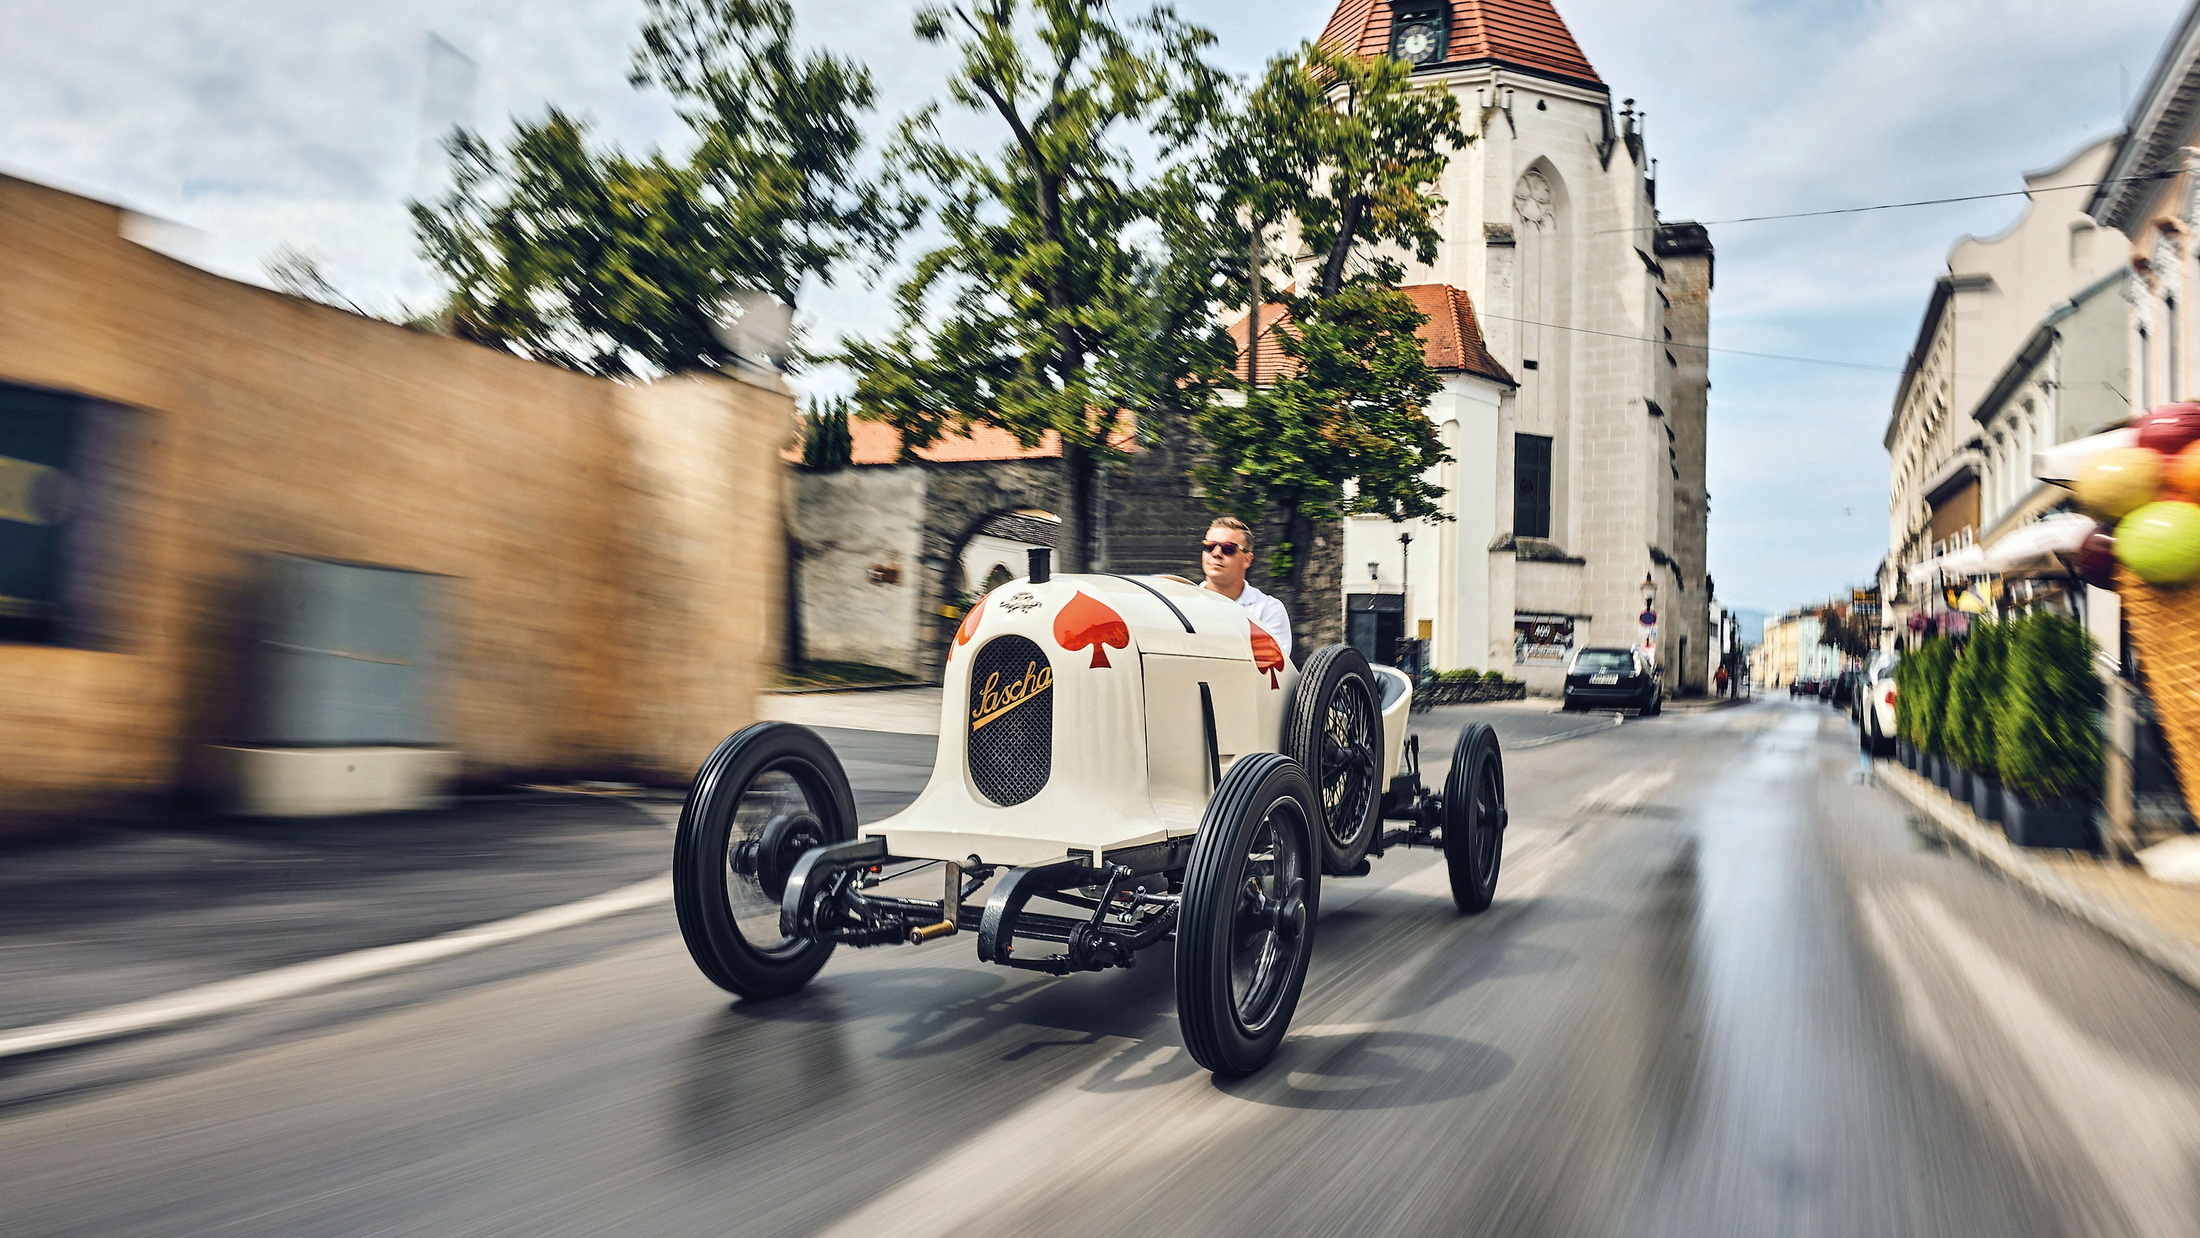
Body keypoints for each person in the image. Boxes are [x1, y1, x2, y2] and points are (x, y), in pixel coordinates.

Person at [1199, 516, 1292, 661]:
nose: (1216, 553)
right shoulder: (1180, 602)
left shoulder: (1268, 610)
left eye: (1228, 549)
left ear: (1247, 560)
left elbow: (1272, 667)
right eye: (1209, 546)